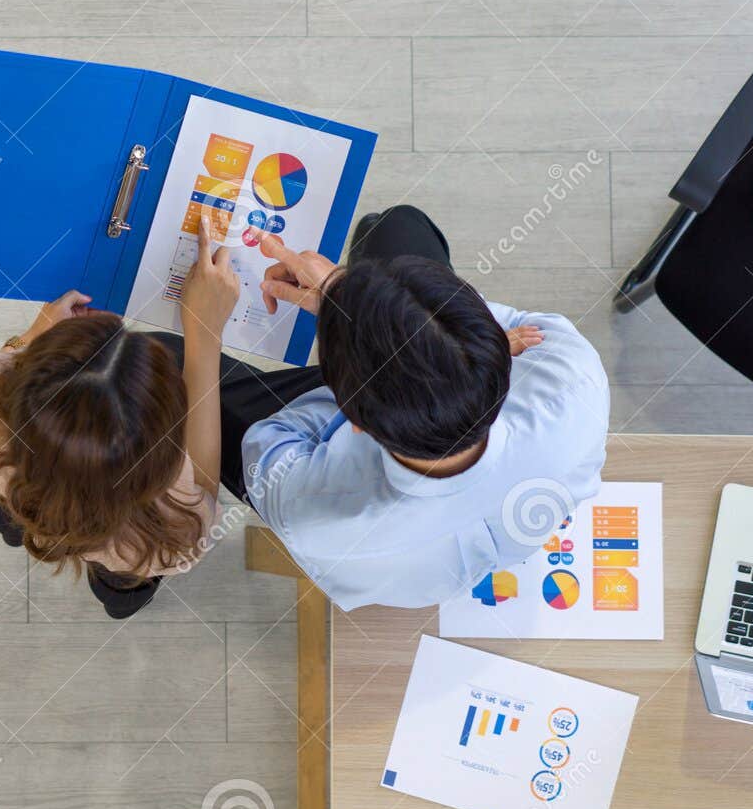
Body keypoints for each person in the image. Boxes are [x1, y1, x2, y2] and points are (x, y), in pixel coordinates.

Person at [222, 205, 610, 611]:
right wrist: (346, 303)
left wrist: (347, 311)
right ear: (497, 357)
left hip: (333, 431)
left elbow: (272, 438)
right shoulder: (573, 379)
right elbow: (480, 325)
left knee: (190, 386)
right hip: (383, 416)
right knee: (398, 225)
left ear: (350, 416)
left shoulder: (313, 514)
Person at [0, 218, 241, 618]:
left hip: (20, 495)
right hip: (132, 547)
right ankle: (118, 599)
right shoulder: (176, 532)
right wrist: (205, 334)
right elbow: (204, 487)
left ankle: (15, 527)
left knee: (13, 518)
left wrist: (25, 341)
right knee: (123, 585)